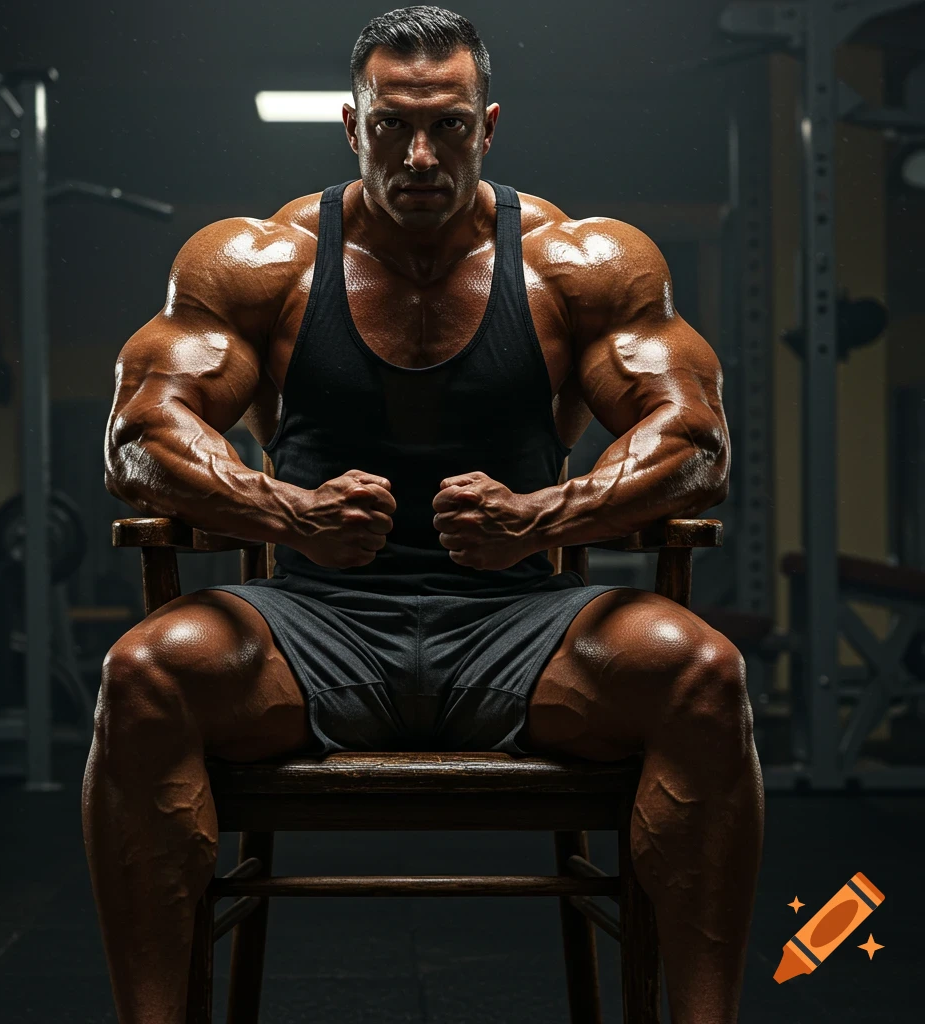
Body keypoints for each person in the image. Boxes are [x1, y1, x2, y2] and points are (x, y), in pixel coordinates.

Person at [83, 6, 764, 1023]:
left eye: (447, 126)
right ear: (348, 125)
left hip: (519, 628)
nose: (419, 152)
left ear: (487, 126)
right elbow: (139, 437)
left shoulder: (578, 263)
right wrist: (287, 512)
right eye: (392, 124)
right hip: (311, 625)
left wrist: (544, 517)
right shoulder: (256, 262)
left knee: (703, 671)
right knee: (142, 672)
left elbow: (694, 444)